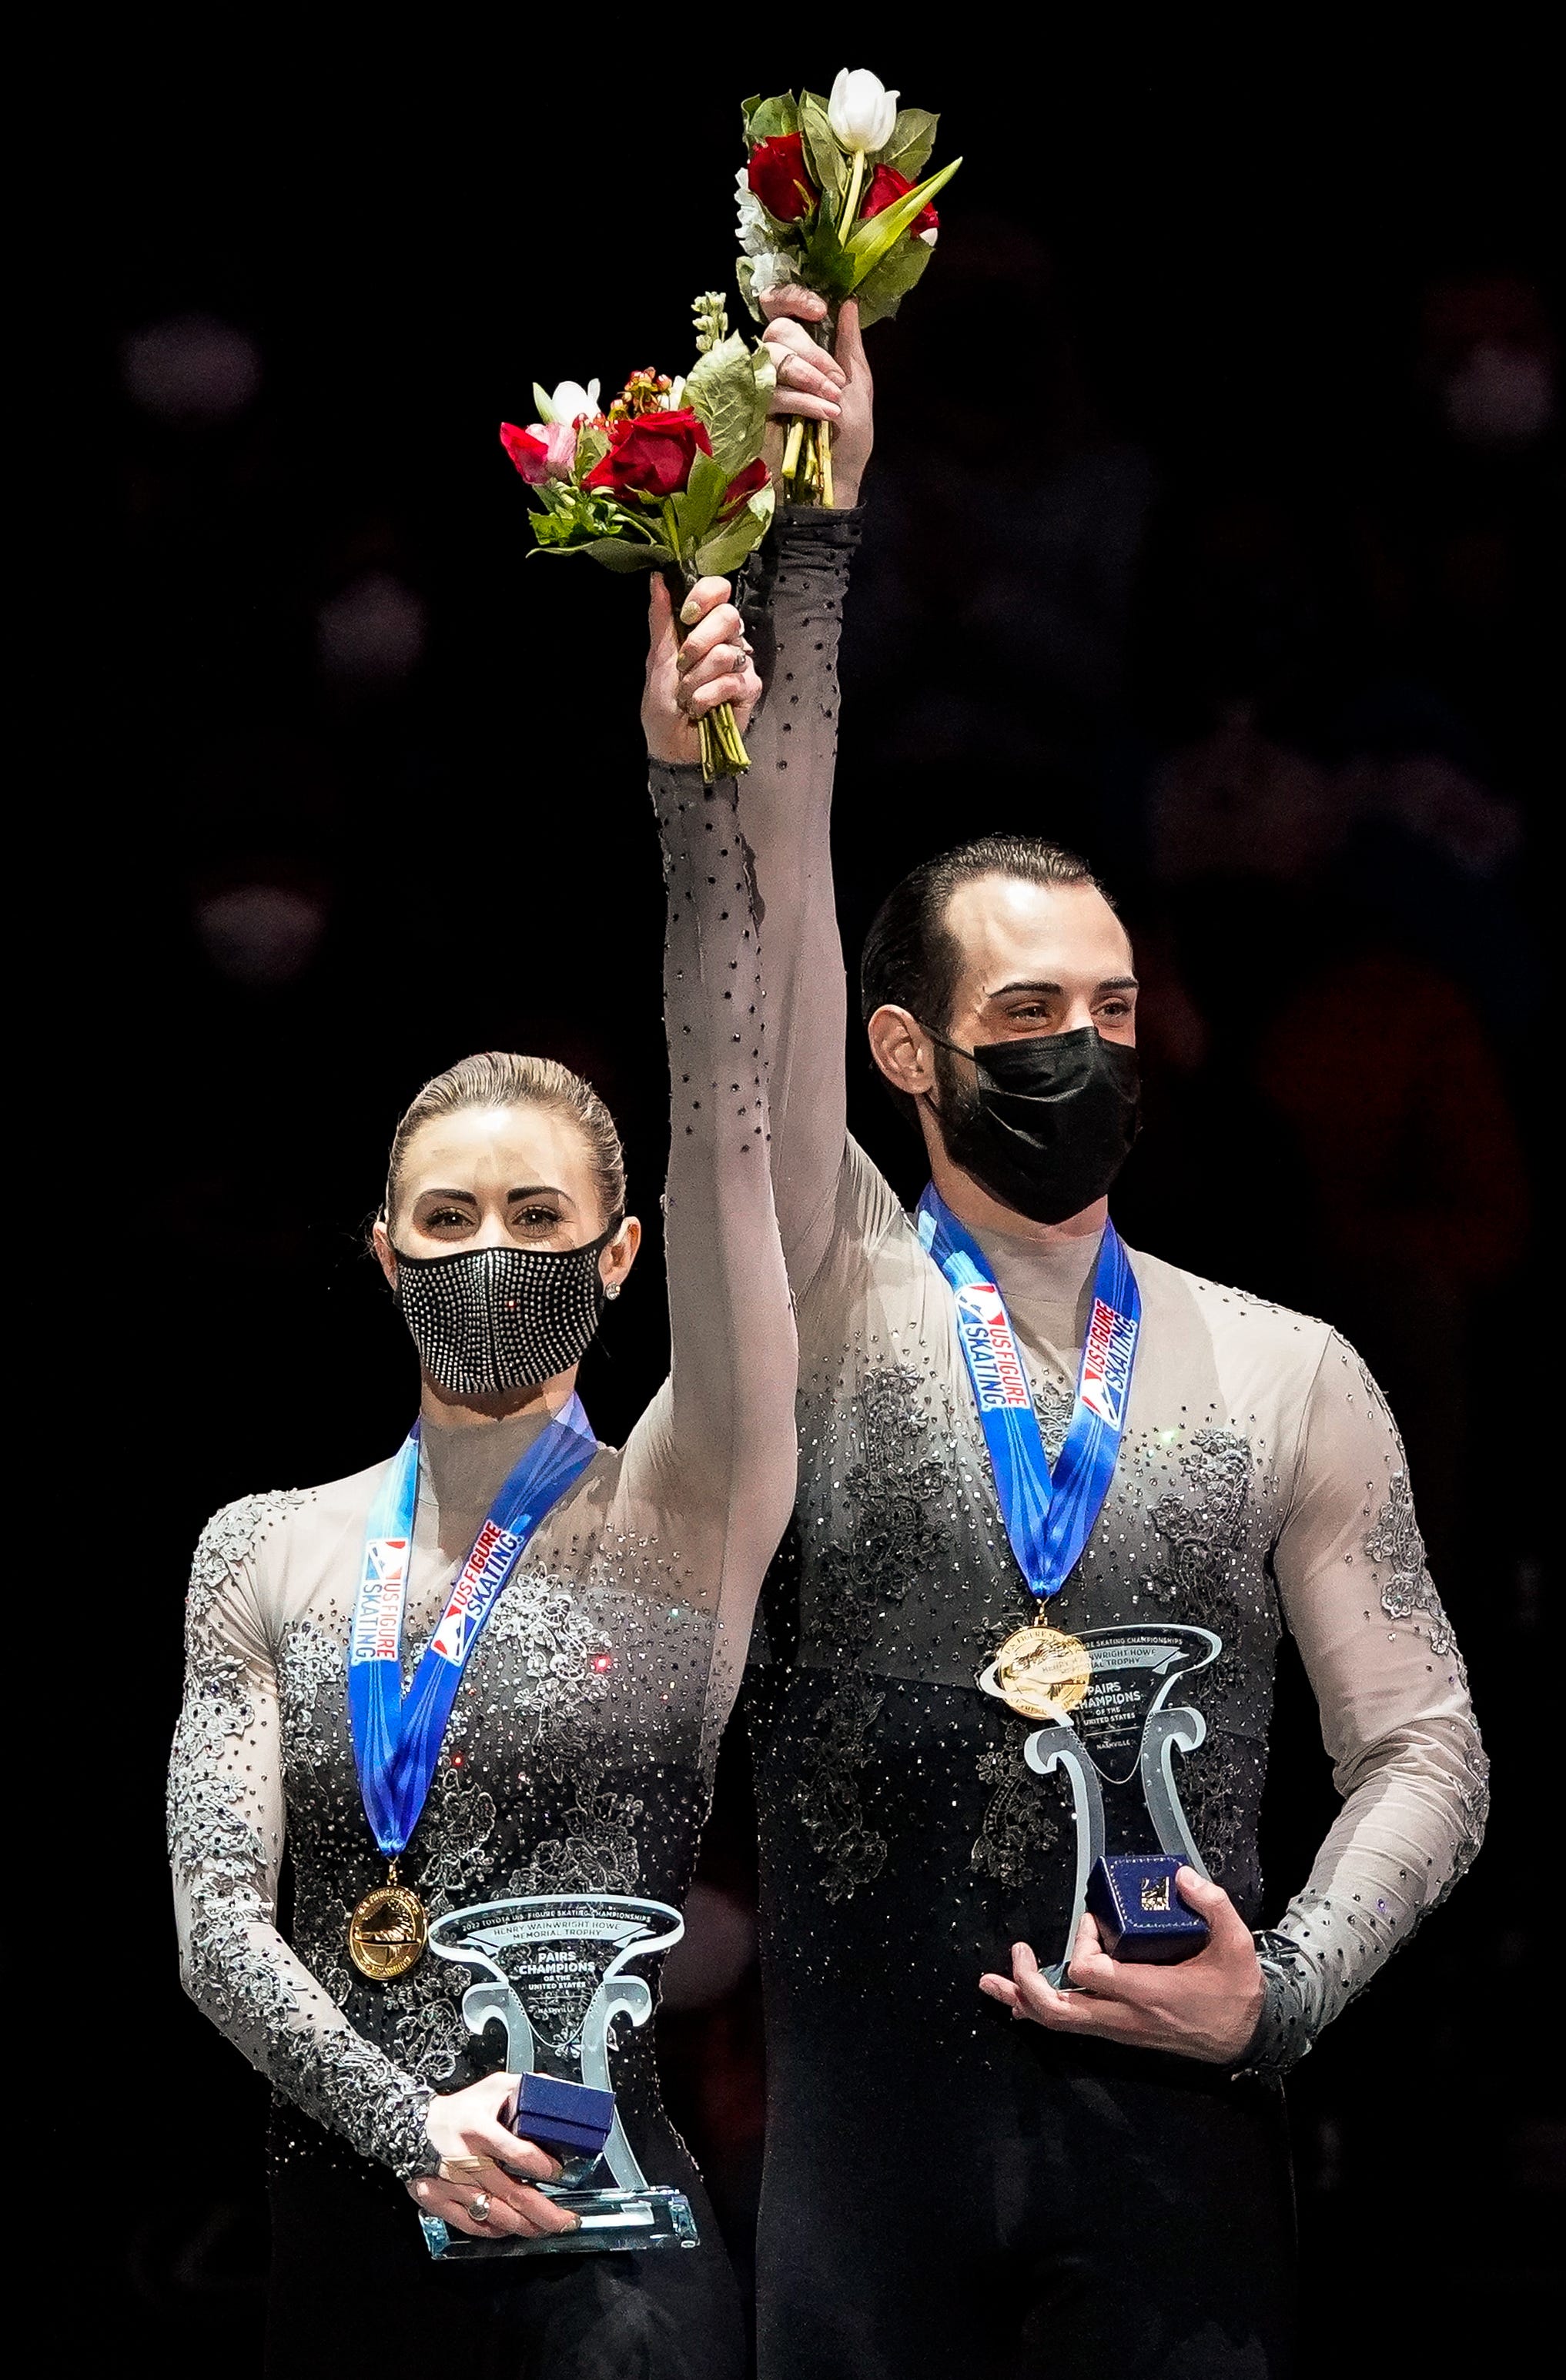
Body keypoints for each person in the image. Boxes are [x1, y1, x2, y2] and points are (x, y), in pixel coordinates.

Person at [713, 289, 1489, 2378]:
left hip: (1178, 2138)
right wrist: (815, 546)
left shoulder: (1282, 1369)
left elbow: (1424, 1742)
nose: (1081, 1051)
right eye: (1023, 1018)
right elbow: (770, 903)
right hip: (868, 2144)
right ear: (902, 1052)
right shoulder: (833, 1288)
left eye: (1113, 1011)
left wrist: (1288, 1986)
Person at [168, 580, 788, 2380]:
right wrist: (408, 2122)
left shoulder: (691, 1499)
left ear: (618, 1258)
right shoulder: (263, 1549)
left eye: (537, 1217)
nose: (488, 1249)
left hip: (620, 2256)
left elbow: (739, 1131)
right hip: (351, 2227)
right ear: (380, 1253)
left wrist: (695, 803)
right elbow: (218, 1925)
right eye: (448, 1218)